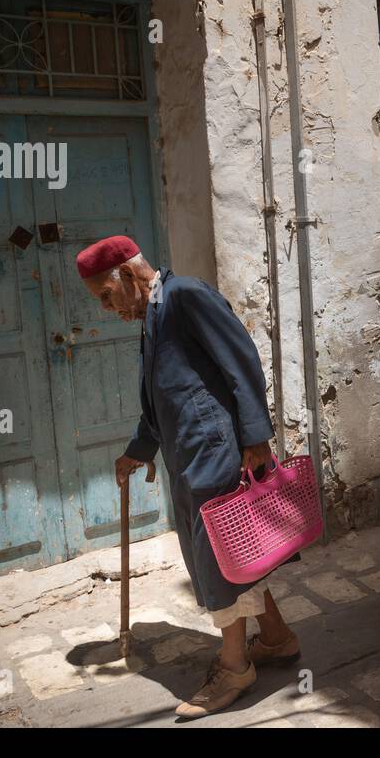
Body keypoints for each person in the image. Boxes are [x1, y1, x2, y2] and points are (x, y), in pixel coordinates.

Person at [75, 235, 300, 719]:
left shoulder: (185, 297)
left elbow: (242, 360)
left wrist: (256, 437)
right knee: (236, 554)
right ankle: (277, 639)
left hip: (215, 452)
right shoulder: (154, 314)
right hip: (192, 454)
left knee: (217, 559)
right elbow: (162, 400)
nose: (107, 308)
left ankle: (235, 667)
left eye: (107, 296)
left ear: (129, 276)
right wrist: (137, 452)